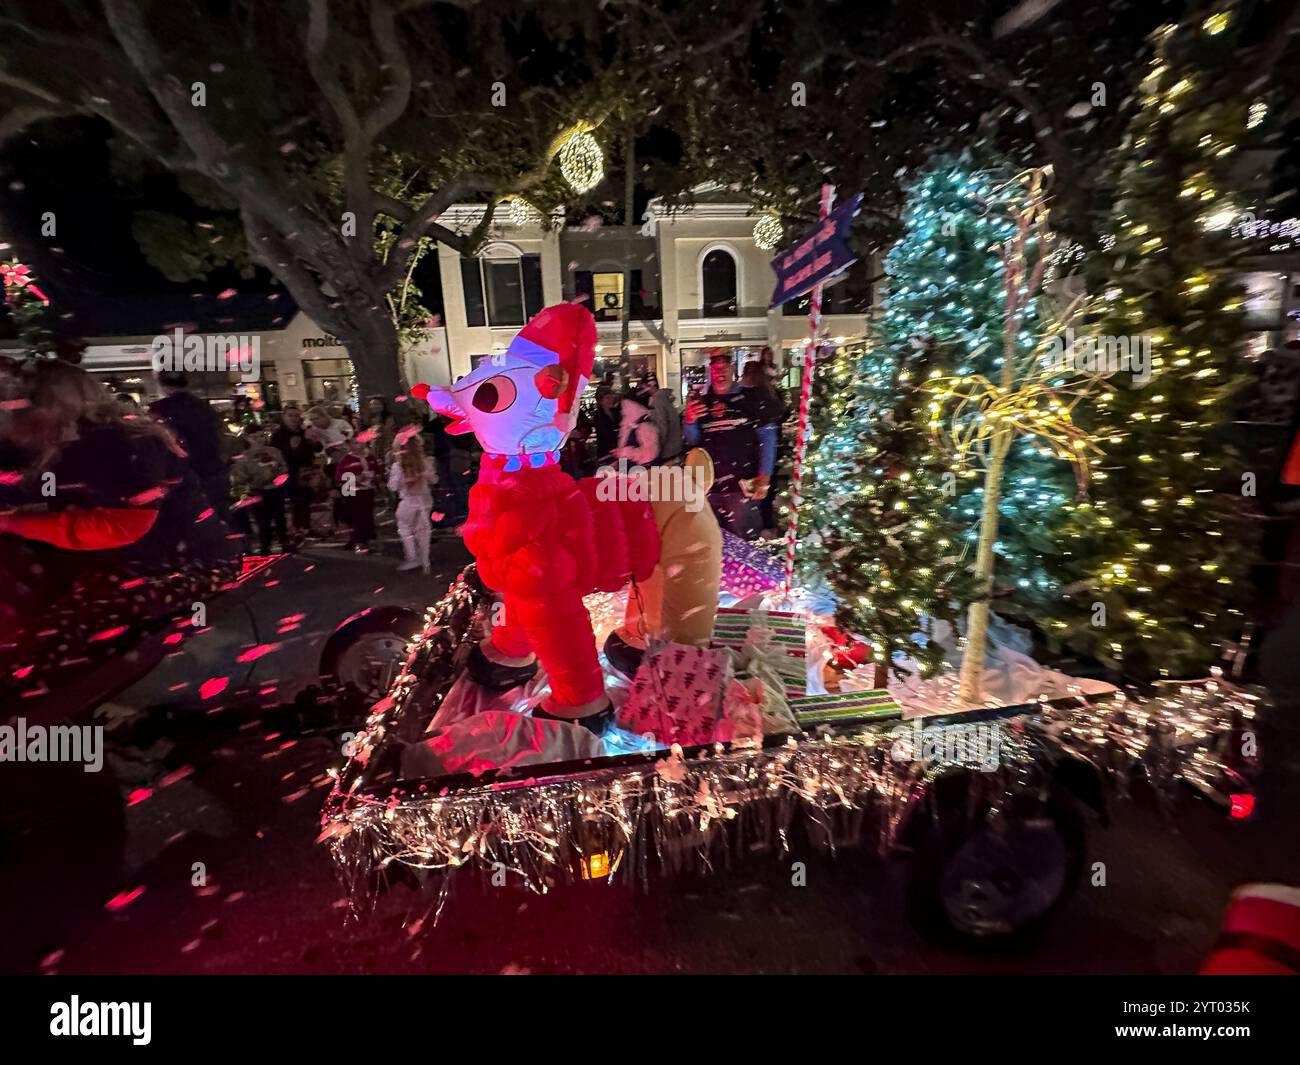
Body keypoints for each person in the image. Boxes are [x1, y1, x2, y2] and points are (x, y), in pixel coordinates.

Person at [0, 360, 239, 693]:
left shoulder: (123, 441)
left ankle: (30, 702)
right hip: (132, 564)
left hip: (190, 565)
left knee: (58, 632)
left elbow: (124, 525)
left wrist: (15, 523)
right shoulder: (64, 446)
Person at [683, 351, 781, 540]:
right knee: (713, 546)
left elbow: (768, 437)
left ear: (732, 369)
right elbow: (694, 440)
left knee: (745, 546)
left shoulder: (751, 399)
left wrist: (765, 474)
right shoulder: (703, 403)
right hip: (708, 489)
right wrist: (689, 421)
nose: (720, 372)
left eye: (724, 368)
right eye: (715, 368)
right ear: (709, 371)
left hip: (741, 488)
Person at [148, 370, 233, 524]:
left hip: (181, 468)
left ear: (162, 386)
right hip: (211, 465)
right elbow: (221, 437)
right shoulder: (203, 407)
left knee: (189, 514)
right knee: (219, 510)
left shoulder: (159, 410)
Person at [741, 359, 789, 533]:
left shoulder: (751, 397)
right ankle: (767, 524)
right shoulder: (770, 394)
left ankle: (762, 524)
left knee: (759, 491)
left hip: (757, 448)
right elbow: (783, 414)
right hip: (771, 447)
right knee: (767, 489)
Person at [229, 429, 289, 554]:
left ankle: (285, 542)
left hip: (275, 488)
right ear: (248, 439)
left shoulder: (274, 451)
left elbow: (283, 467)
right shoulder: (244, 457)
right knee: (263, 520)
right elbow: (241, 477)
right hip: (257, 490)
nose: (259, 439)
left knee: (280, 517)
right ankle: (265, 545)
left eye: (261, 436)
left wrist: (279, 477)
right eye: (254, 437)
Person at [269, 405, 322, 538]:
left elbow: (317, 449)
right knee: (297, 500)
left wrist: (315, 442)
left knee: (306, 499)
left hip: (306, 470)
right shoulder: (278, 435)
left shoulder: (305, 432)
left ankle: (304, 527)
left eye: (296, 415)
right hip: (289, 472)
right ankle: (298, 528)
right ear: (284, 417)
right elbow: (275, 455)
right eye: (290, 415)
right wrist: (291, 447)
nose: (294, 419)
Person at [387, 433, 437, 573]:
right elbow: (433, 480)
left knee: (405, 528)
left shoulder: (398, 466)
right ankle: (425, 559)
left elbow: (393, 486)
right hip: (425, 500)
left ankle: (413, 557)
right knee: (423, 530)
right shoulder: (425, 462)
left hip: (408, 501)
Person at [335, 435, 379, 552]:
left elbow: (377, 470)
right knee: (353, 514)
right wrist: (356, 478)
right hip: (351, 489)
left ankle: (365, 538)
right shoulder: (347, 459)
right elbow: (339, 476)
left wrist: (374, 476)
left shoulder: (370, 457)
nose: (357, 446)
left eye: (359, 443)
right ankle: (356, 539)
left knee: (366, 514)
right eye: (354, 443)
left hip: (367, 489)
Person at [591, 386, 620, 467]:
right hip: (606, 454)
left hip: (620, 452)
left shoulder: (616, 413)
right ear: (600, 400)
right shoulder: (599, 416)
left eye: (611, 397)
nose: (611, 399)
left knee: (623, 476)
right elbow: (605, 434)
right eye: (607, 397)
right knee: (611, 477)